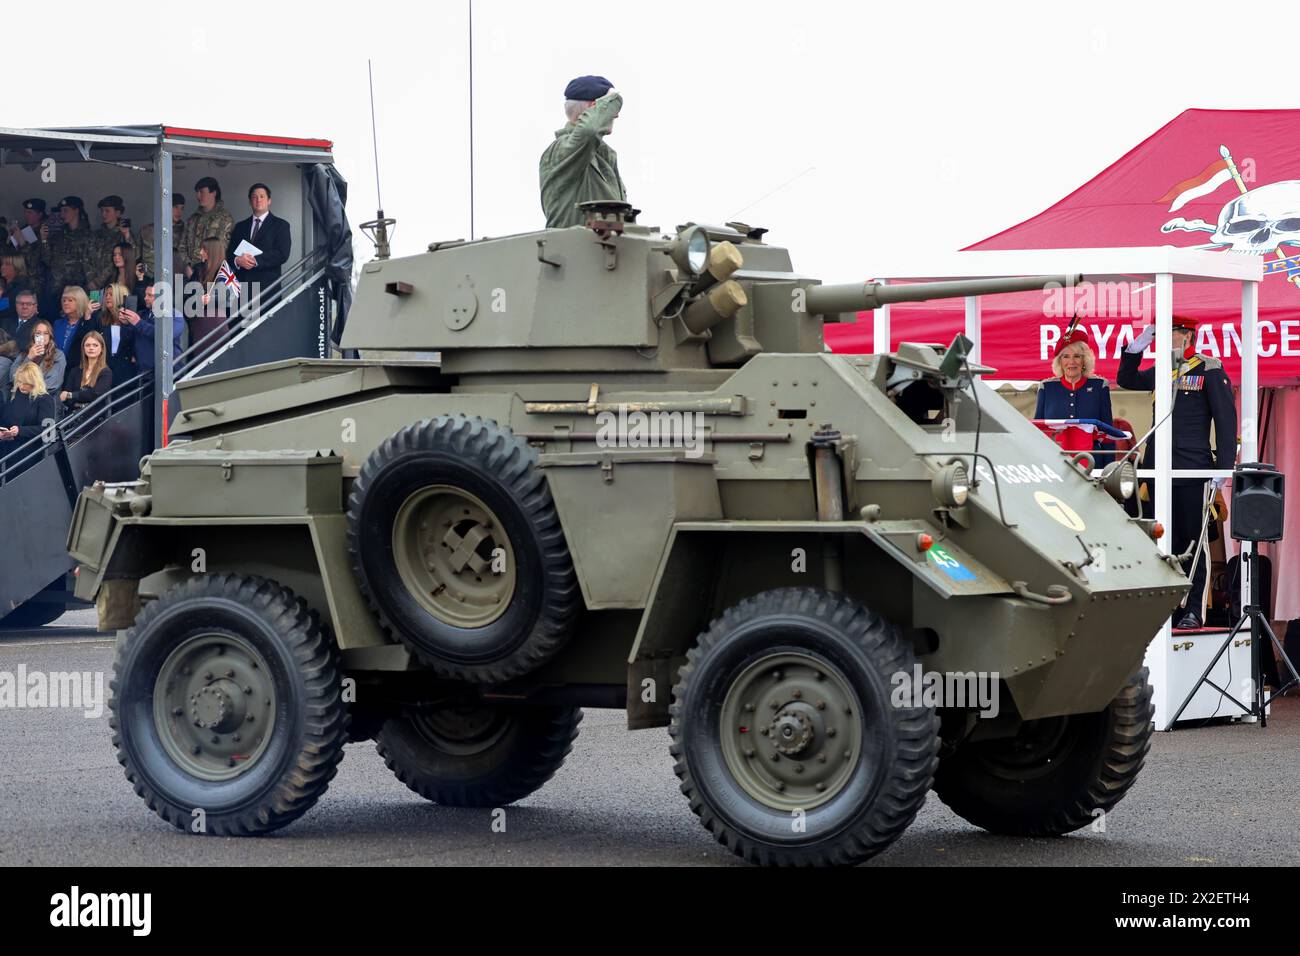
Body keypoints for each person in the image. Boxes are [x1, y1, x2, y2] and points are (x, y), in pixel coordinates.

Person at [1118, 315, 1237, 630]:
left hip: (1192, 469)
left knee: (1192, 542)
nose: (1162, 341)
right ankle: (1167, 607)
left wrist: (1224, 467)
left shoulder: (1208, 369)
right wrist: (1135, 348)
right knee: (1162, 542)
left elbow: (1225, 420)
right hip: (1158, 468)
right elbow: (1126, 379)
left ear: (1186, 336)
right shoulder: (1161, 369)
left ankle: (1194, 609)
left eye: (1166, 335)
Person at [539, 75, 626, 228]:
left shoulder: (602, 157)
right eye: (609, 108)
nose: (616, 114)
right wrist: (614, 99)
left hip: (607, 250)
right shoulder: (562, 151)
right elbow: (590, 131)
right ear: (594, 109)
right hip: (573, 249)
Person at [1034, 327, 1115, 465]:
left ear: (1085, 360)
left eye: (1077, 356)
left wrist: (1109, 470)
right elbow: (1038, 432)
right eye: (1066, 356)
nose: (1071, 362)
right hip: (1055, 461)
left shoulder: (1099, 386)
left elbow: (1108, 432)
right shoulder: (1047, 388)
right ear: (1059, 361)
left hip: (1092, 461)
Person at [228, 183, 291, 304]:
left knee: (267, 323)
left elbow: (282, 254)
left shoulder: (281, 225)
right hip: (242, 287)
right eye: (254, 197)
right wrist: (237, 260)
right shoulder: (240, 226)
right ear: (250, 201)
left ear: (269, 201)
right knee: (241, 322)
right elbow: (230, 253)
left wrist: (255, 260)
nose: (258, 200)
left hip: (267, 288)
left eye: (262, 196)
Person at [39, 196, 95, 311]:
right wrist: (44, 240)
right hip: (55, 291)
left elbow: (92, 265)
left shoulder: (88, 236)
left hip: (77, 291)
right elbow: (47, 260)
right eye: (61, 211)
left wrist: (92, 292)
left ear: (76, 211)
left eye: (66, 210)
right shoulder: (59, 235)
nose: (62, 214)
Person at [178, 177, 234, 278]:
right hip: (192, 273)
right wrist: (187, 266)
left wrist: (210, 270)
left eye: (202, 192)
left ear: (213, 193)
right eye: (197, 192)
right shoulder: (192, 219)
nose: (198, 196)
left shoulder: (225, 219)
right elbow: (182, 246)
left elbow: (224, 249)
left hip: (213, 275)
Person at [122, 283, 184, 372]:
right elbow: (130, 338)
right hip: (145, 373)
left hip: (169, 373)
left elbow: (166, 335)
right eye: (145, 294)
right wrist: (126, 323)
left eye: (150, 295)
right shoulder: (141, 315)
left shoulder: (175, 315)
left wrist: (138, 323)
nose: (145, 298)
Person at [189, 237, 235, 346]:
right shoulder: (198, 269)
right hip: (198, 319)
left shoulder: (225, 271)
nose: (200, 252)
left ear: (212, 251)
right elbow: (189, 293)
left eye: (203, 250)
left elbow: (229, 299)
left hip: (217, 320)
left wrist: (211, 300)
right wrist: (198, 300)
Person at [0, 361, 59, 445]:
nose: (21, 386)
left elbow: (48, 430)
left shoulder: (45, 399)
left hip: (29, 448)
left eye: (26, 383)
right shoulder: (10, 393)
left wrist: (20, 431)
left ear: (35, 382)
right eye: (19, 381)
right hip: (5, 446)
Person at [88, 195, 135, 290]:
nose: (103, 214)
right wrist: (91, 280)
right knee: (95, 304)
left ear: (118, 213)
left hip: (114, 285)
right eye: (102, 211)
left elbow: (133, 255)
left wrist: (126, 235)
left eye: (107, 211)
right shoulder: (95, 235)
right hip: (94, 286)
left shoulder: (123, 234)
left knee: (113, 304)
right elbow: (86, 258)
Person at [6, 318, 64, 395]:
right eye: (38, 333)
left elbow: (52, 384)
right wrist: (29, 358)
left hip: (45, 398)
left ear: (50, 336)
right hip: (22, 396)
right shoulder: (25, 354)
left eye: (46, 333)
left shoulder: (58, 355)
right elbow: (12, 377)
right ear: (33, 336)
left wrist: (27, 388)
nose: (42, 336)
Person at [59, 330, 112, 411]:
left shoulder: (106, 372)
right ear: (83, 348)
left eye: (95, 345)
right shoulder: (75, 371)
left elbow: (95, 395)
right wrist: (73, 397)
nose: (91, 348)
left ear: (102, 349)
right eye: (87, 345)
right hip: (73, 416)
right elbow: (65, 397)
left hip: (95, 418)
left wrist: (71, 395)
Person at [96, 284, 137, 385]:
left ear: (120, 296)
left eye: (111, 294)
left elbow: (134, 341)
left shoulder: (132, 317)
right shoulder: (101, 318)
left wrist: (126, 324)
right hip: (106, 368)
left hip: (126, 371)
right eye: (106, 295)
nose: (108, 297)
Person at [139, 195, 186, 280]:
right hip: (148, 278)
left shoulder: (184, 232)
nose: (179, 212)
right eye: (175, 207)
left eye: (182, 208)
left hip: (173, 279)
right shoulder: (147, 230)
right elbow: (136, 255)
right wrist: (127, 235)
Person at [52, 285, 94, 358]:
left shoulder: (87, 322)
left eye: (70, 300)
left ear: (80, 302)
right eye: (64, 300)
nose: (65, 303)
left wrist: (87, 317)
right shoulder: (57, 323)